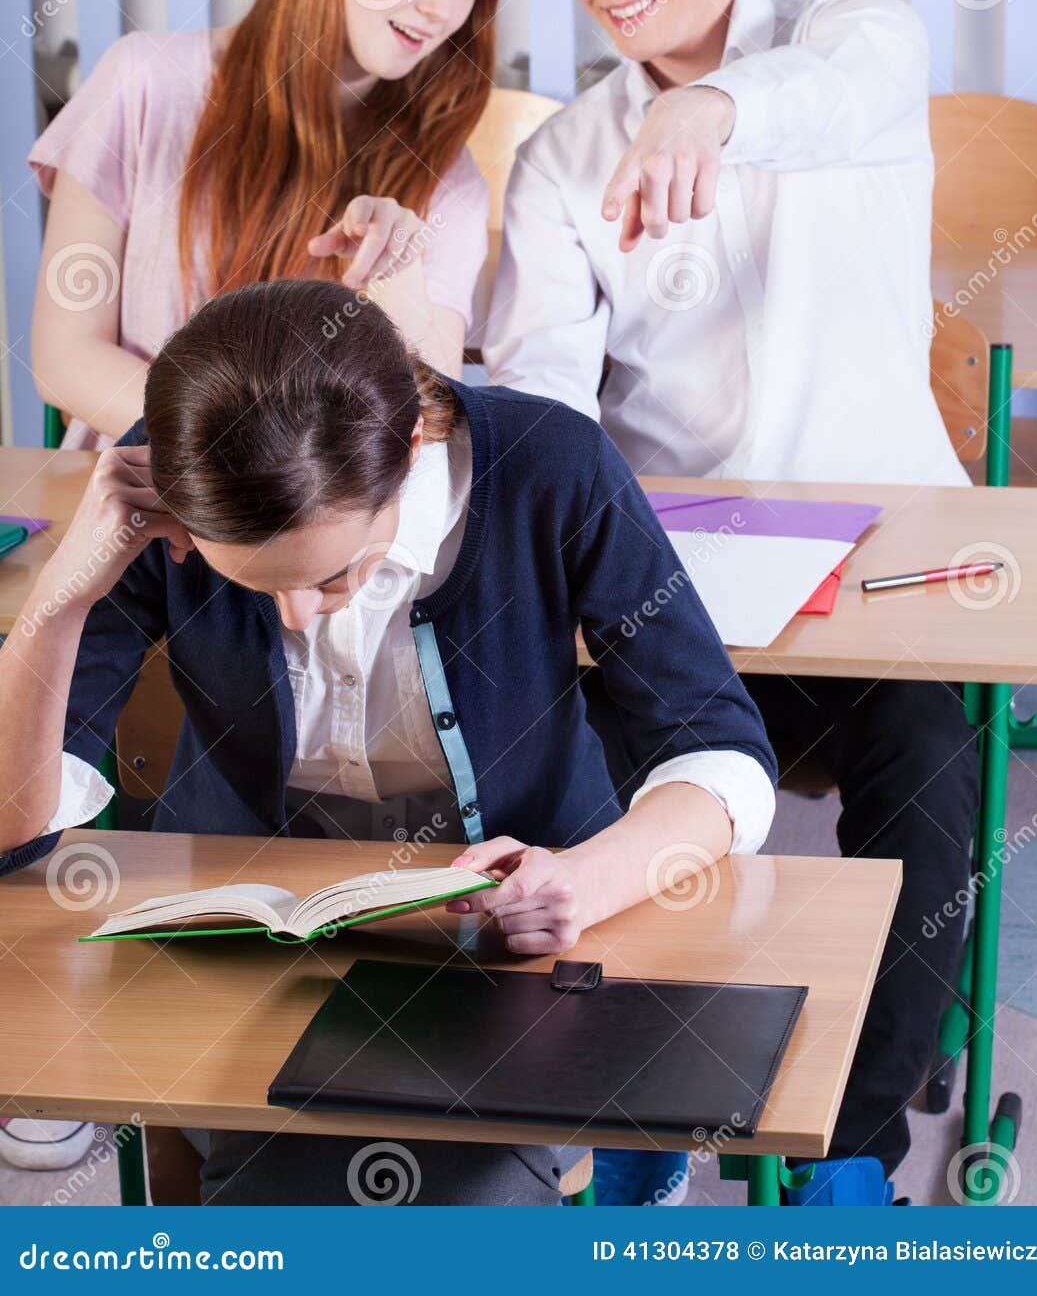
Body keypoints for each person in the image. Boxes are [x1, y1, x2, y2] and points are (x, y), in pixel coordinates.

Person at [0, 278, 776, 1206]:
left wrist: (588, 879)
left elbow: (718, 751)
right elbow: (14, 829)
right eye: (246, 584)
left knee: (450, 1184)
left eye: (332, 577)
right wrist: (58, 601)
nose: (290, 615)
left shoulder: (550, 464)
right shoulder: (171, 476)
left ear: (411, 448)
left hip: (509, 952)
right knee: (288, 1167)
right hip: (246, 959)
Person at [485, 0, 978, 1204]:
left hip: (887, 574)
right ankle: (639, 1110)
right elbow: (543, 405)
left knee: (927, 774)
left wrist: (704, 107)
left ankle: (847, 1150)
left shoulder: (857, 42)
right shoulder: (561, 159)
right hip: (678, 596)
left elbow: (823, 95)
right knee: (576, 767)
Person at [30, 0, 517, 451]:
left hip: (316, 521)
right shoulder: (142, 81)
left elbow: (425, 419)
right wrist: (231, 458)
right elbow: (63, 356)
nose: (440, 7)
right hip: (141, 490)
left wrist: (399, 279)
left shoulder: (446, 182)